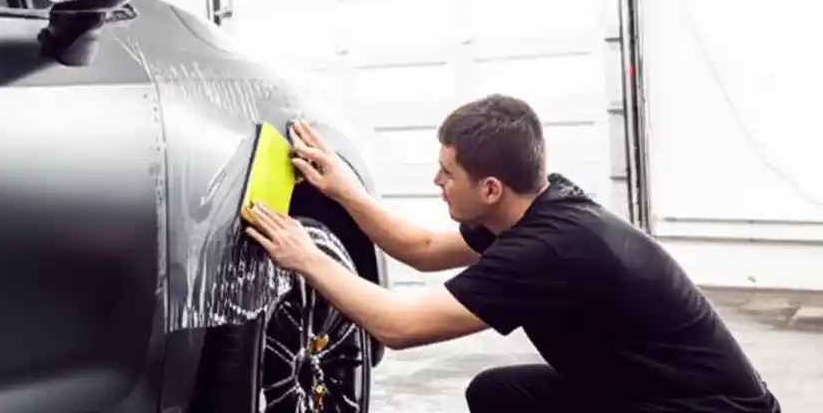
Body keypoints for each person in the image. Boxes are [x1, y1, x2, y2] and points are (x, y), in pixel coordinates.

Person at [243, 94, 780, 413]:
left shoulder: (548, 251)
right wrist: (344, 190)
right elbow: (424, 250)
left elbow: (399, 327)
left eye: (447, 173)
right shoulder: (538, 207)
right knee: (502, 394)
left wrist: (307, 256)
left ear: (492, 188)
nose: (436, 180)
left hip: (708, 411)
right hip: (645, 394)